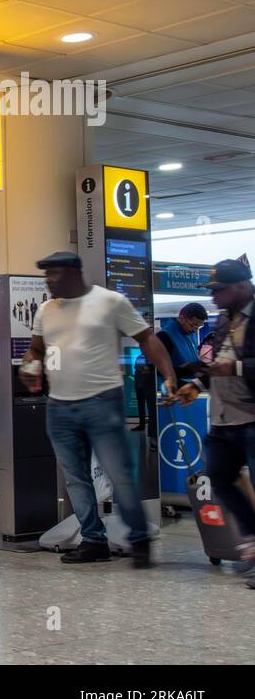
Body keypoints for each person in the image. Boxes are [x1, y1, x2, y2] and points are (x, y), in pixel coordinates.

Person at [20, 251, 178, 568]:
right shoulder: (47, 310)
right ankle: (94, 540)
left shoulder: (110, 302)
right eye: (46, 275)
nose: (49, 281)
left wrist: (169, 375)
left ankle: (139, 539)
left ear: (74, 273)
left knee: (119, 474)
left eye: (54, 274)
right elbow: (37, 348)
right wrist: (30, 366)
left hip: (102, 402)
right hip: (59, 406)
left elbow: (147, 339)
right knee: (76, 478)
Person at [173, 260, 255, 586]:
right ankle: (251, 537)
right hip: (224, 419)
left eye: (219, 290)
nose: (214, 297)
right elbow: (219, 361)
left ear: (242, 286)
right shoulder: (223, 319)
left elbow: (232, 365)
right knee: (219, 477)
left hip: (251, 417)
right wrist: (197, 384)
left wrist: (235, 369)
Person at [157, 302, 208, 382]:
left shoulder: (189, 333)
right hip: (172, 386)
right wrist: (186, 370)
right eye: (192, 325)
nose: (195, 330)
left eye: (199, 327)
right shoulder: (164, 336)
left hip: (189, 384)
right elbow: (158, 371)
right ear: (181, 318)